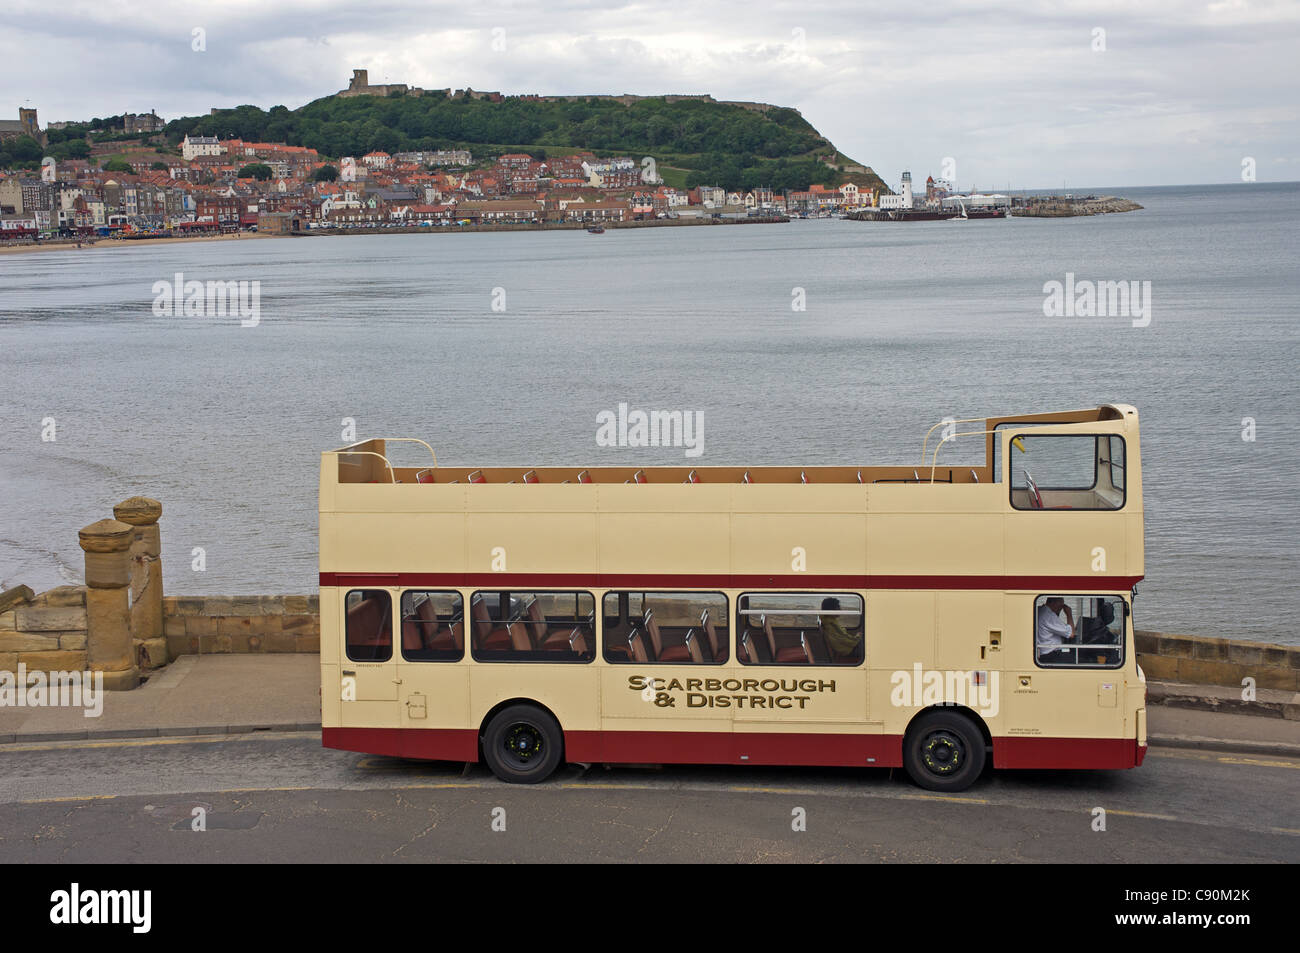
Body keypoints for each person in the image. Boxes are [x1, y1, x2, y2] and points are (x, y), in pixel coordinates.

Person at [1036, 597, 1077, 663]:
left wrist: (1058, 612)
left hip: (1043, 652)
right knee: (1076, 660)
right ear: (1052, 602)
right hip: (1050, 655)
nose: (1061, 608)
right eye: (1060, 605)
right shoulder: (1049, 615)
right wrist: (1069, 614)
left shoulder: (1040, 610)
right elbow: (1071, 633)